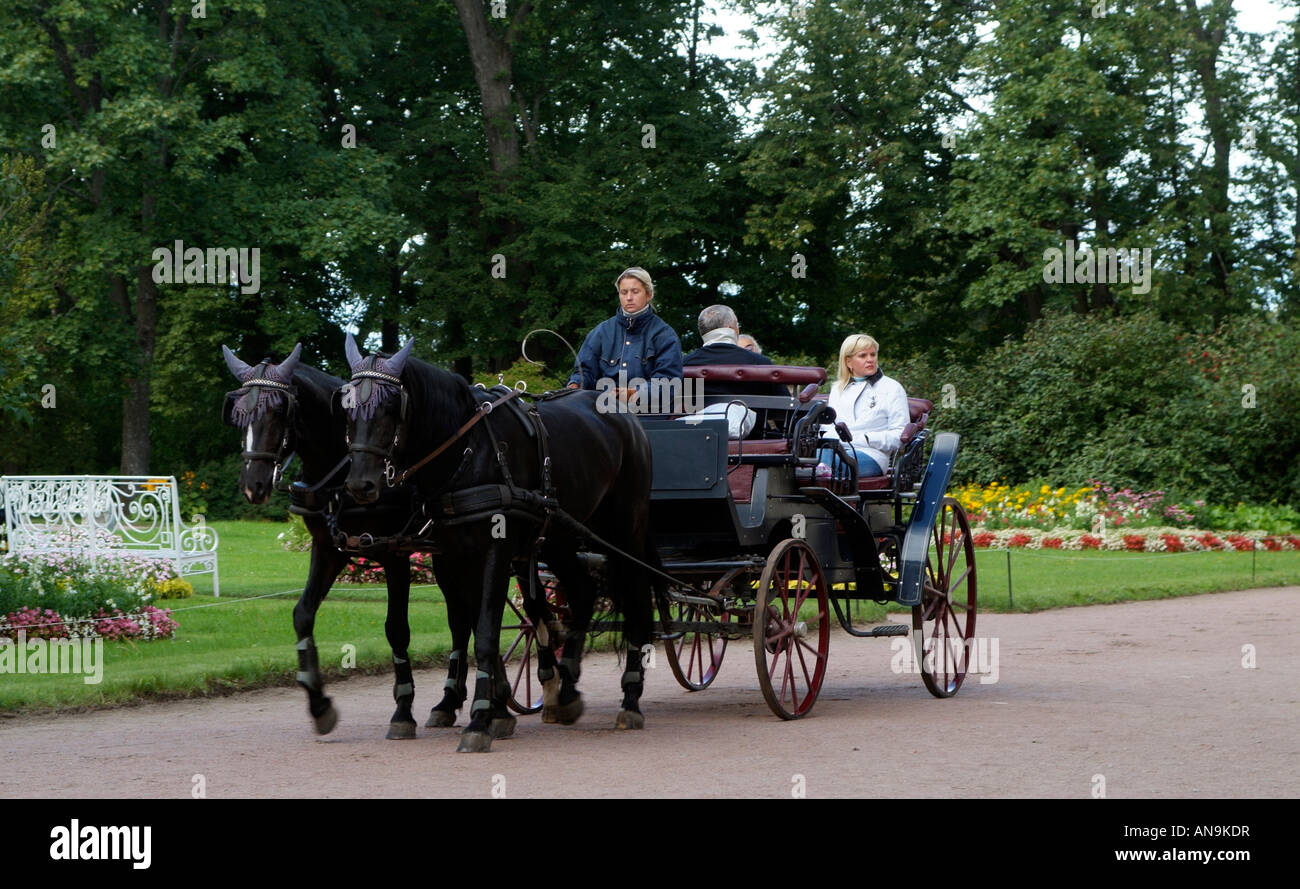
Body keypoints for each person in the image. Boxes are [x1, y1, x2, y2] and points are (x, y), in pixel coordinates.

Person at [567, 267, 683, 407]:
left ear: (649, 294)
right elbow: (584, 371)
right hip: (604, 414)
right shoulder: (600, 332)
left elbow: (668, 383)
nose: (629, 297)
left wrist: (632, 394)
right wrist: (574, 385)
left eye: (635, 292)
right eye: (624, 292)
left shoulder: (664, 335)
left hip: (649, 416)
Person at [820, 333, 909, 478]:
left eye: (873, 354)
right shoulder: (837, 389)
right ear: (848, 362)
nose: (870, 360)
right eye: (863, 356)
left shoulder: (892, 388)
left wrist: (868, 438)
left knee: (832, 465)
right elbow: (828, 427)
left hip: (871, 454)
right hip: (835, 450)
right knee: (799, 463)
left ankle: (822, 475)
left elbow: (900, 434)